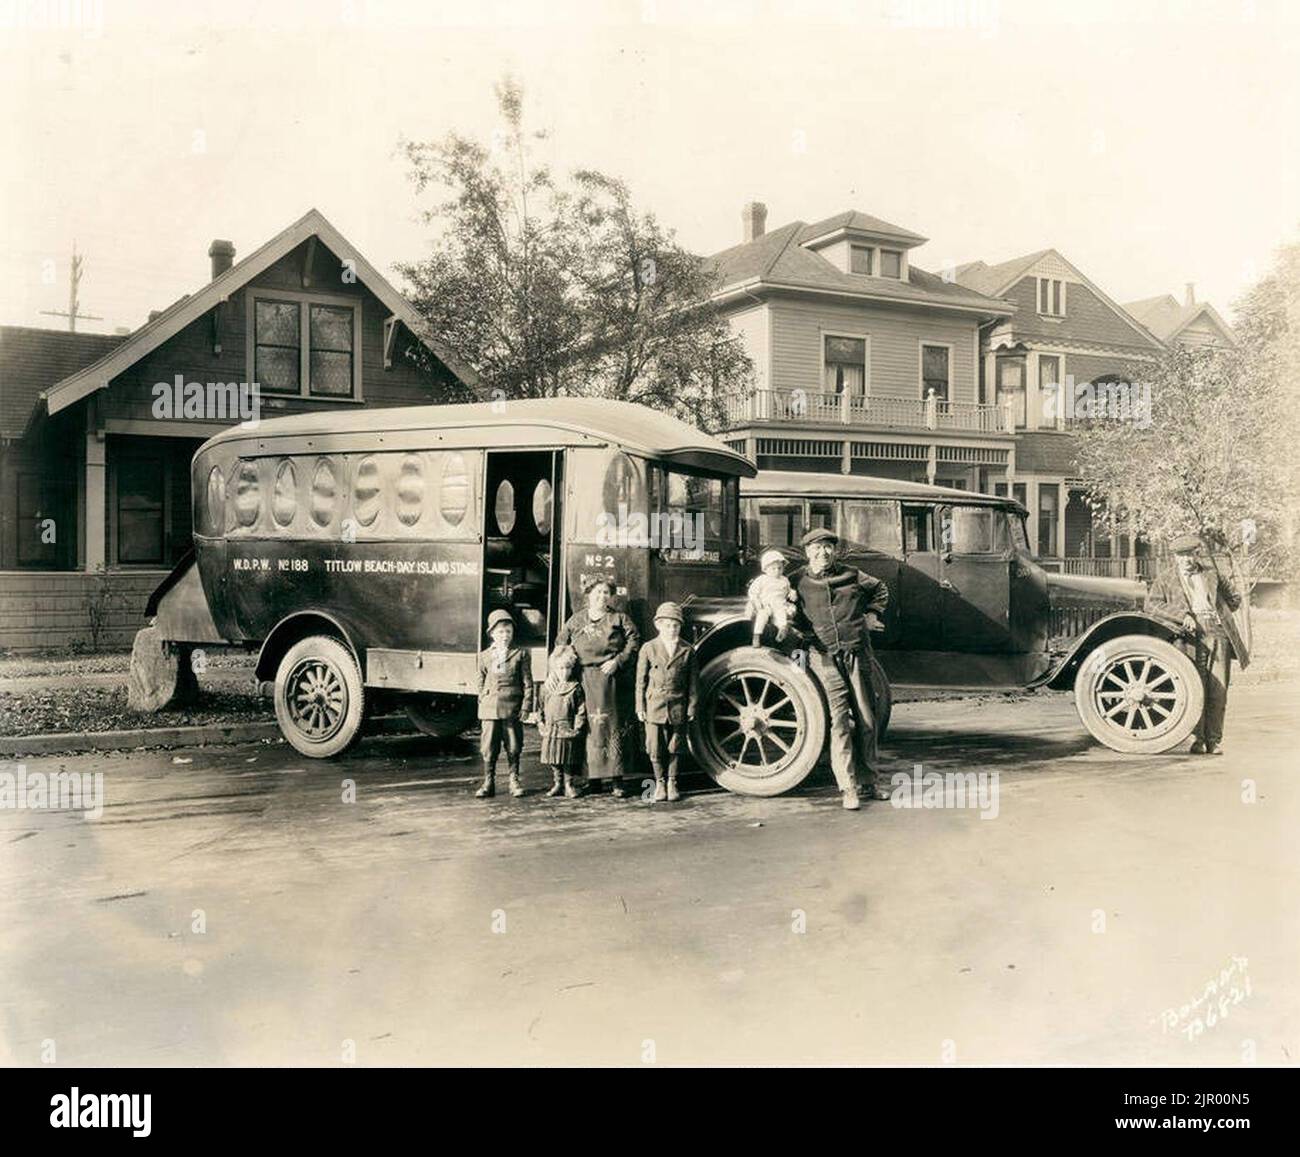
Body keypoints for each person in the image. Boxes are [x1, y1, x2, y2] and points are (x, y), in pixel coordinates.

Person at [788, 527, 890, 809]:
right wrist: (798, 635)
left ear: (835, 551)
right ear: (807, 552)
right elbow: (776, 602)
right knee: (840, 722)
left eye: (828, 547)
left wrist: (872, 614)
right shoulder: (795, 580)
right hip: (823, 656)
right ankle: (848, 788)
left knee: (867, 718)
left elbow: (881, 589)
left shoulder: (853, 574)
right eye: (817, 548)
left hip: (857, 651)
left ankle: (870, 783)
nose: (823, 553)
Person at [1144, 531, 1242, 755]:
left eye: (1190, 555)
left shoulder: (1212, 574)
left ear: (1197, 555)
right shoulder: (1165, 579)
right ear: (1175, 558)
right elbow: (1152, 606)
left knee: (1218, 689)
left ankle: (1215, 740)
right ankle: (1197, 740)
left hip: (1217, 634)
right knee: (1194, 688)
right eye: (1182, 556)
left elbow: (1234, 598)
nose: (1187, 560)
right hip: (1187, 638)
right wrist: (1183, 615)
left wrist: (1219, 613)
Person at [555, 576, 640, 797]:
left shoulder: (619, 618)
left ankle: (617, 780)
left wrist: (618, 661)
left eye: (605, 592)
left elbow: (634, 640)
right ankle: (592, 779)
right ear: (588, 594)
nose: (601, 596)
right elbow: (560, 643)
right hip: (583, 679)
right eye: (597, 592)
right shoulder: (576, 620)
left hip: (611, 680)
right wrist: (561, 664)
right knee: (587, 728)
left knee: (612, 727)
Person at [635, 601, 699, 803]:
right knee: (655, 746)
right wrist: (640, 706)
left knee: (675, 745)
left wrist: (691, 706)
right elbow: (641, 681)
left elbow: (693, 683)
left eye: (676, 625)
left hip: (678, 705)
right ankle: (659, 783)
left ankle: (672, 782)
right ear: (658, 625)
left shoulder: (687, 650)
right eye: (668, 625)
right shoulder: (648, 648)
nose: (672, 629)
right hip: (654, 705)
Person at [475, 608, 535, 799]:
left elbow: (528, 683)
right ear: (492, 633)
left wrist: (526, 707)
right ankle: (488, 781)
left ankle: (514, 780)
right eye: (500, 631)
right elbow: (480, 680)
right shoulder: (484, 656)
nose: (504, 635)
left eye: (508, 631)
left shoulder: (520, 654)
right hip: (489, 708)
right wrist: (483, 700)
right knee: (488, 747)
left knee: (514, 745)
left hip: (512, 708)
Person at [538, 644, 587, 798]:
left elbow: (581, 708)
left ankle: (568, 784)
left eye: (568, 668)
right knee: (554, 757)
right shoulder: (546, 688)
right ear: (554, 668)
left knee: (568, 758)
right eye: (560, 668)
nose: (564, 672)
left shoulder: (575, 687)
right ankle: (558, 783)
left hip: (567, 729)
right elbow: (540, 706)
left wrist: (578, 726)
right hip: (551, 729)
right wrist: (541, 723)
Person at [747, 549, 796, 648]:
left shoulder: (784, 580)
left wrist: (792, 593)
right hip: (766, 604)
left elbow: (788, 590)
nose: (777, 571)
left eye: (780, 568)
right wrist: (756, 601)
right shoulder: (762, 579)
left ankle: (782, 629)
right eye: (773, 568)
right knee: (762, 616)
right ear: (765, 569)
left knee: (781, 615)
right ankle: (757, 635)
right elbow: (753, 592)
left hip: (779, 604)